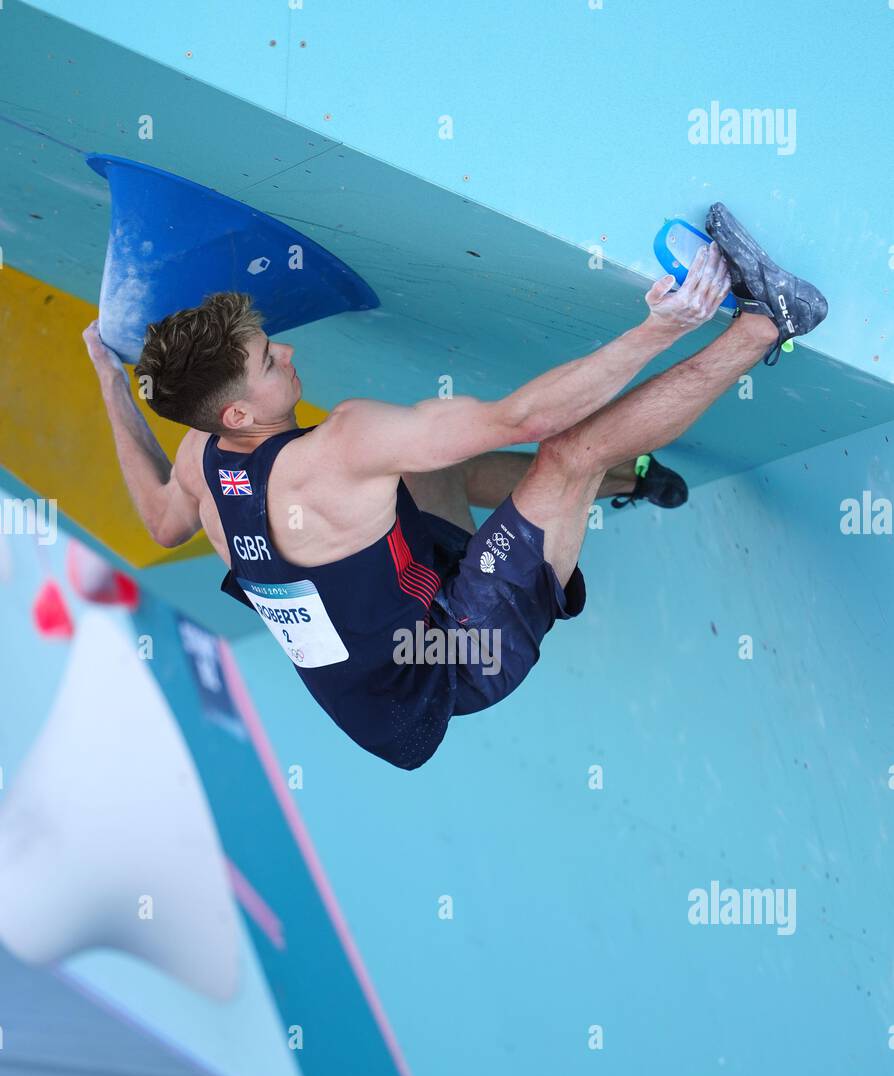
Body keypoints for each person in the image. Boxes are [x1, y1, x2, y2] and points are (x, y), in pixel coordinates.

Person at [83, 203, 826, 770]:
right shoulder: (345, 445)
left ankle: (628, 477)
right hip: (456, 659)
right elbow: (521, 417)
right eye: (268, 361)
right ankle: (770, 325)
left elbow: (159, 521)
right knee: (566, 451)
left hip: (386, 660)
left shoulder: (199, 456)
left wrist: (111, 382)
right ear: (239, 411)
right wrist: (665, 325)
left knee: (434, 468)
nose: (286, 349)